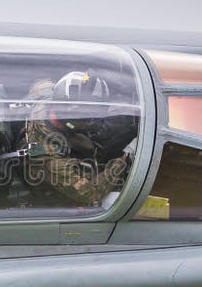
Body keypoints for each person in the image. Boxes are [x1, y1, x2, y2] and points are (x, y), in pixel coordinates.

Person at [23, 72, 136, 206]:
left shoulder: (45, 94)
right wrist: (124, 161)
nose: (94, 121)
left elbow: (44, 82)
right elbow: (89, 194)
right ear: (72, 121)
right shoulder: (53, 162)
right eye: (90, 118)